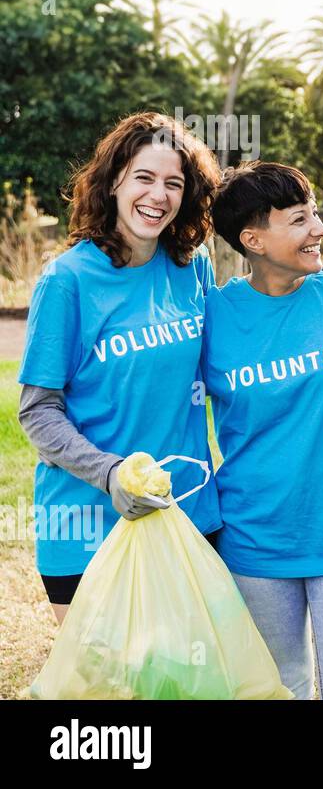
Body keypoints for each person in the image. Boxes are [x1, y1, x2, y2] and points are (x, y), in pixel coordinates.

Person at [17, 112, 223, 624]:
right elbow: (38, 412)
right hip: (89, 524)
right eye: (144, 178)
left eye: (173, 183)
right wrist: (110, 475)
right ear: (113, 182)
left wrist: (305, 284)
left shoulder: (192, 266)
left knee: (189, 679)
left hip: (186, 511)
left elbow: (230, 357)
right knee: (108, 689)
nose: (158, 195)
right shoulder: (67, 281)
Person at [204, 161, 323, 699]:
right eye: (300, 219)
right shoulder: (211, 315)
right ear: (253, 239)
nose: (320, 230)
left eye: (315, 215)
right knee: (278, 688)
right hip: (254, 534)